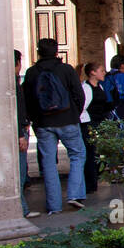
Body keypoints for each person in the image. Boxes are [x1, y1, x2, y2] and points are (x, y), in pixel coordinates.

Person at [23, 37, 87, 214]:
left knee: (48, 163)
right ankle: (74, 194)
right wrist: (75, 113)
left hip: (43, 123)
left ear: (38, 51)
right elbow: (78, 94)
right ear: (57, 51)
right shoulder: (66, 70)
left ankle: (54, 206)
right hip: (68, 120)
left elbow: (28, 99)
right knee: (77, 155)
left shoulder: (31, 73)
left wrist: (34, 120)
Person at [79, 61, 114, 195]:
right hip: (89, 123)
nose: (104, 73)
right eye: (101, 70)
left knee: (99, 153)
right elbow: (83, 107)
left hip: (100, 122)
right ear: (93, 73)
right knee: (90, 153)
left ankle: (95, 179)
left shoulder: (100, 86)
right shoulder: (86, 88)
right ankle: (89, 183)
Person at [14, 50, 40, 219]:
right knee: (20, 171)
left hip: (23, 127)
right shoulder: (11, 83)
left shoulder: (21, 80)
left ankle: (22, 208)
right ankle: (22, 209)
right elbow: (16, 109)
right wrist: (20, 134)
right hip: (19, 131)